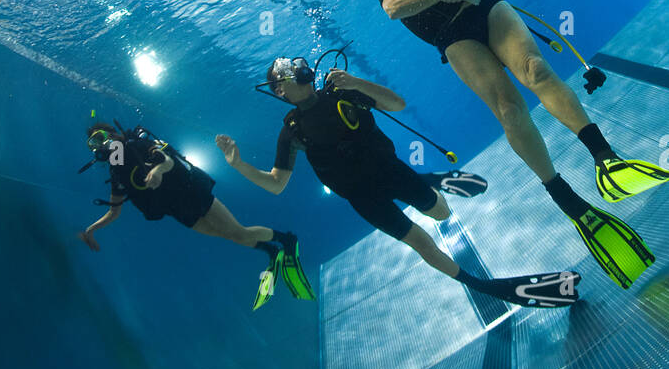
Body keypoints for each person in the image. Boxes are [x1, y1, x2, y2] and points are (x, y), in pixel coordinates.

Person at [361, 0, 669, 290]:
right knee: (508, 109)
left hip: (486, 6)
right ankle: (565, 197)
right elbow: (393, 7)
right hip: (450, 34)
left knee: (535, 70)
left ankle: (604, 155)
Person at [215, 58, 580, 309]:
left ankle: (430, 180)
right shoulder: (291, 130)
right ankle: (478, 284)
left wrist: (356, 81)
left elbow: (398, 104)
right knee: (422, 242)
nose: (297, 71)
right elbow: (277, 184)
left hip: (391, 170)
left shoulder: (340, 91)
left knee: (440, 213)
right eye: (287, 74)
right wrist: (239, 164)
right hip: (361, 197)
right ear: (279, 90)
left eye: (296, 66)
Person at [77, 121, 301, 276]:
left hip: (192, 192)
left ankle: (286, 239)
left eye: (102, 138)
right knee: (229, 235)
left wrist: (157, 171)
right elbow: (114, 210)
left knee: (238, 232)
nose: (102, 145)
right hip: (177, 210)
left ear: (113, 134)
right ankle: (271, 251)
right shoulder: (117, 173)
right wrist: (91, 230)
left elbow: (167, 161)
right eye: (95, 144)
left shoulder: (138, 145)